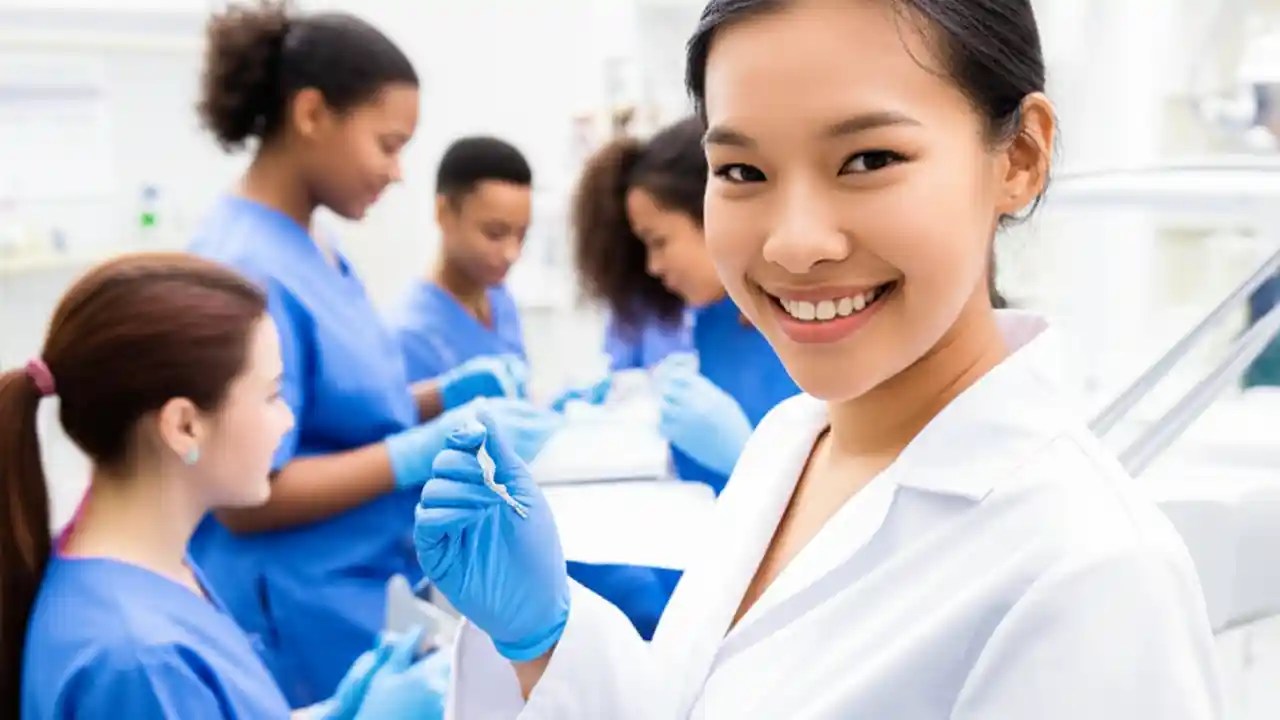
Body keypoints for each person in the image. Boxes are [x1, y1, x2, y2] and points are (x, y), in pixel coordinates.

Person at [412, 1, 1225, 717]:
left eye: (868, 160)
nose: (794, 244)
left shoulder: (1094, 576)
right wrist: (545, 639)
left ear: (1018, 158)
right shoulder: (790, 443)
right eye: (742, 171)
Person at [185, 2, 560, 706]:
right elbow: (243, 492)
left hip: (354, 583)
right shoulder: (245, 263)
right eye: (387, 145)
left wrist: (443, 395)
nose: (397, 172)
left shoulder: (314, 242)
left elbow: (331, 412)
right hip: (291, 603)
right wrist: (418, 450)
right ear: (311, 114)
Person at [5, 253, 446, 719]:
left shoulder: (156, 572)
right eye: (272, 395)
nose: (287, 420)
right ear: (184, 426)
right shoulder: (139, 658)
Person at [571, 116, 800, 494]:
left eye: (658, 241)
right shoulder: (713, 322)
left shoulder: (806, 330)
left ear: (715, 216)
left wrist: (747, 461)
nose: (653, 266)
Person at [389, 136, 533, 385]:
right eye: (495, 233)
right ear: (443, 213)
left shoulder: (499, 300)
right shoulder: (411, 335)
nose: (512, 253)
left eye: (521, 235)